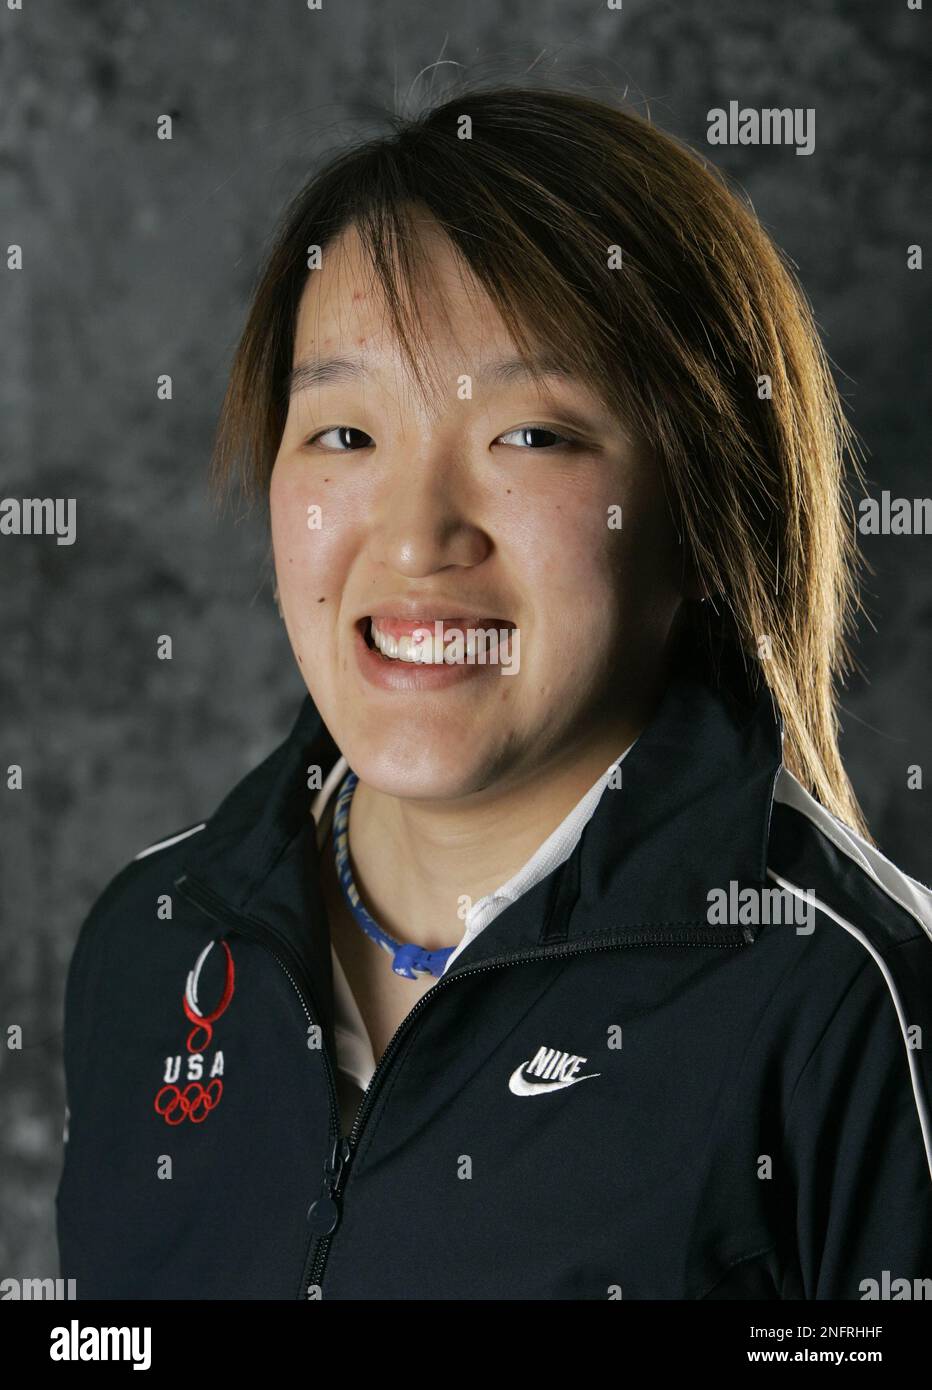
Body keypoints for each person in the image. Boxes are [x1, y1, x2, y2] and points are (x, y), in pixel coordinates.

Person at [56, 83, 931, 1300]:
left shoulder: (848, 1006)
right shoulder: (150, 946)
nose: (415, 539)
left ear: (696, 518)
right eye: (344, 436)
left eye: (530, 435)